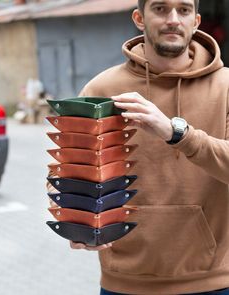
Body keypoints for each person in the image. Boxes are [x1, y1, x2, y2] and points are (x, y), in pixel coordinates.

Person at [50, 0, 229, 294]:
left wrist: (176, 132)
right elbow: (65, 172)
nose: (173, 19)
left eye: (183, 10)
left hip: (212, 282)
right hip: (125, 282)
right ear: (139, 18)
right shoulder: (102, 89)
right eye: (160, 8)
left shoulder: (225, 86)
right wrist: (75, 218)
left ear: (196, 21)